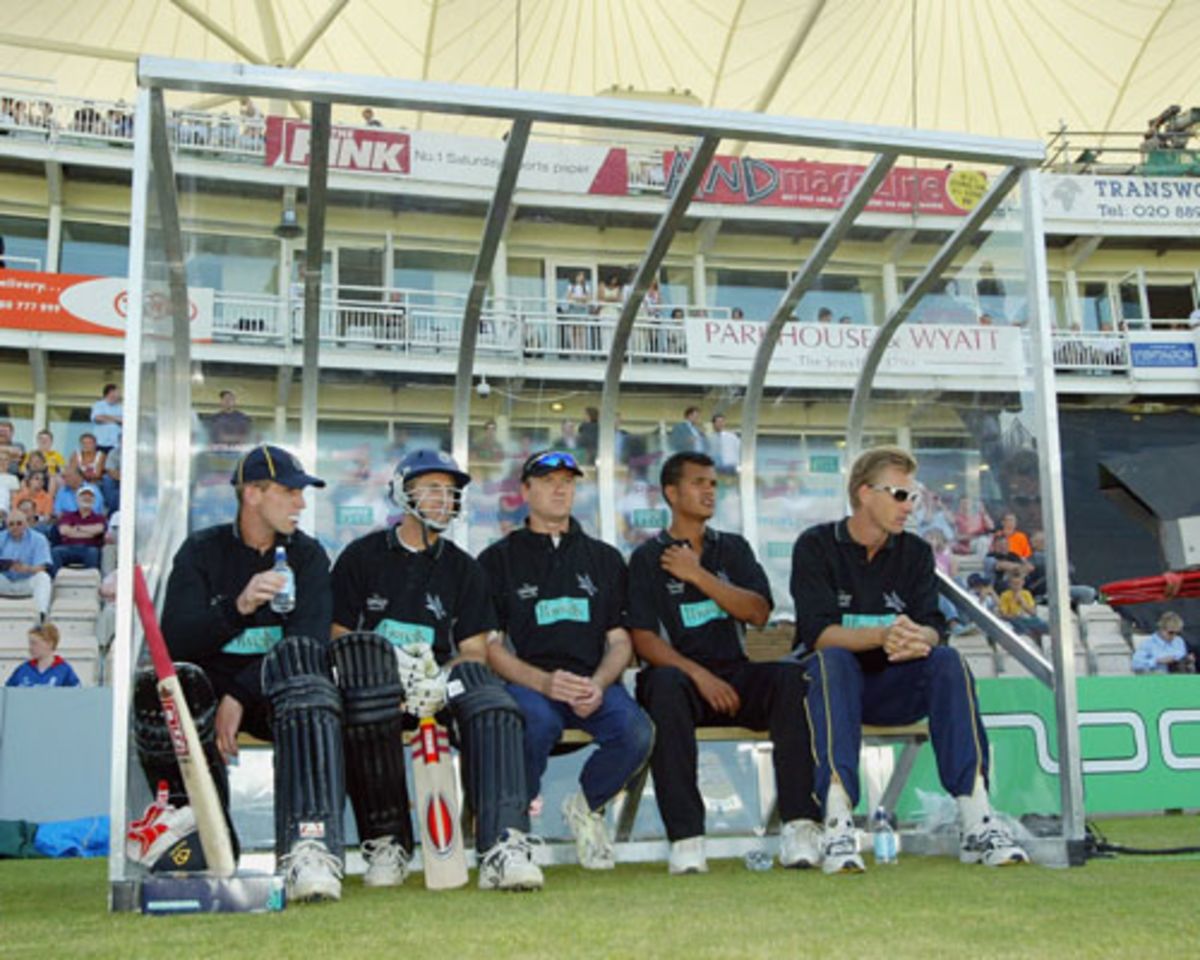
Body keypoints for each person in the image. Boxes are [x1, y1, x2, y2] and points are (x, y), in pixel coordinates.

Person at [791, 446, 1029, 874]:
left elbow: (934, 623)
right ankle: (838, 821)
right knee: (832, 661)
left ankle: (977, 818)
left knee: (946, 662)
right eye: (900, 495)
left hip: (895, 687)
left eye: (913, 497)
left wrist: (921, 637)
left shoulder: (915, 553)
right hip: (835, 693)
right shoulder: (816, 545)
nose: (909, 506)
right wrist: (884, 635)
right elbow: (818, 634)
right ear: (865, 493)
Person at [330, 449, 544, 891]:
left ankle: (502, 843)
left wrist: (435, 676)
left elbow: (474, 651)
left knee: (493, 701)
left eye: (450, 492)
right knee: (366, 701)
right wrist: (388, 669)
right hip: (379, 684)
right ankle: (387, 841)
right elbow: (338, 637)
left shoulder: (463, 568)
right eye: (432, 489)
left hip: (439, 682)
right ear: (402, 493)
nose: (444, 500)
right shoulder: (361, 556)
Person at [153, 444, 344, 902]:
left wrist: (240, 691)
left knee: (309, 690)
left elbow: (308, 645)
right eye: (291, 491)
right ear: (253, 494)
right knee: (173, 694)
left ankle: (307, 847)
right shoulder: (202, 550)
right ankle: (207, 844)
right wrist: (238, 607)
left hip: (272, 688)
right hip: (210, 690)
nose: (301, 503)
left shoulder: (310, 555)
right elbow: (174, 644)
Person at [629, 452, 821, 874]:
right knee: (662, 685)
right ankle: (687, 839)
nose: (709, 491)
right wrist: (699, 676)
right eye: (699, 483)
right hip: (680, 677)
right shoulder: (646, 558)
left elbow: (757, 612)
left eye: (713, 483)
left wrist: (698, 576)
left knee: (790, 678)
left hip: (734, 673)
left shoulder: (731, 548)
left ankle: (800, 827)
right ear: (671, 492)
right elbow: (643, 639)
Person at [480, 449, 653, 870]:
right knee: (530, 723)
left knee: (636, 731)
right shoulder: (497, 559)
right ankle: (513, 831)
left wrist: (598, 681)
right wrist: (542, 683)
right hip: (531, 686)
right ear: (525, 490)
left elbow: (620, 640)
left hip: (592, 685)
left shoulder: (604, 558)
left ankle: (586, 807)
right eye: (548, 480)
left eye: (568, 481)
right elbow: (490, 647)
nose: (560, 489)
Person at [0, 510, 53, 618]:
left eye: (19, 523)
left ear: (26, 524)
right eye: (11, 524)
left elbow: (42, 567)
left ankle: (41, 614)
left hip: (27, 581)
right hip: (5, 580)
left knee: (43, 578)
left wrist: (27, 568)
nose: (15, 527)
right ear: (6, 525)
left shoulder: (39, 539)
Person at [5, 622, 80, 688]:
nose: (30, 648)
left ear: (49, 644)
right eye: (30, 643)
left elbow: (76, 696)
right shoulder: (23, 669)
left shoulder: (64, 670)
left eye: (34, 643)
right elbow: (7, 694)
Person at [52, 483, 106, 571]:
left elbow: (98, 529)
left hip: (89, 548)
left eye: (90, 497)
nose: (87, 498)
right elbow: (64, 531)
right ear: (77, 499)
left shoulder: (99, 517)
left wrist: (76, 528)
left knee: (93, 552)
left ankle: (91, 580)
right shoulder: (68, 516)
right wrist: (89, 532)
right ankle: (54, 581)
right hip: (68, 548)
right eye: (83, 496)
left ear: (94, 500)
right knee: (56, 552)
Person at [997, 571, 1048, 643]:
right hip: (1014, 619)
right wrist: (1015, 615)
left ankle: (1040, 641)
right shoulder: (1005, 595)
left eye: (1018, 583)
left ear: (1023, 583)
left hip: (1028, 618)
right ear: (1009, 584)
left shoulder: (1026, 594)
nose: (1016, 586)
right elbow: (1003, 614)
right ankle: (1030, 637)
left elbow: (1033, 613)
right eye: (1014, 584)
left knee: (1041, 623)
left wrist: (1022, 602)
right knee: (1021, 624)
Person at [90, 383, 123, 455]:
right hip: (100, 443)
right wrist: (116, 419)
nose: (119, 395)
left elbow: (123, 421)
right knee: (100, 464)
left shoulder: (121, 407)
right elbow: (98, 418)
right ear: (110, 393)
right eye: (117, 392)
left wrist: (107, 417)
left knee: (112, 465)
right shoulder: (99, 405)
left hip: (115, 444)